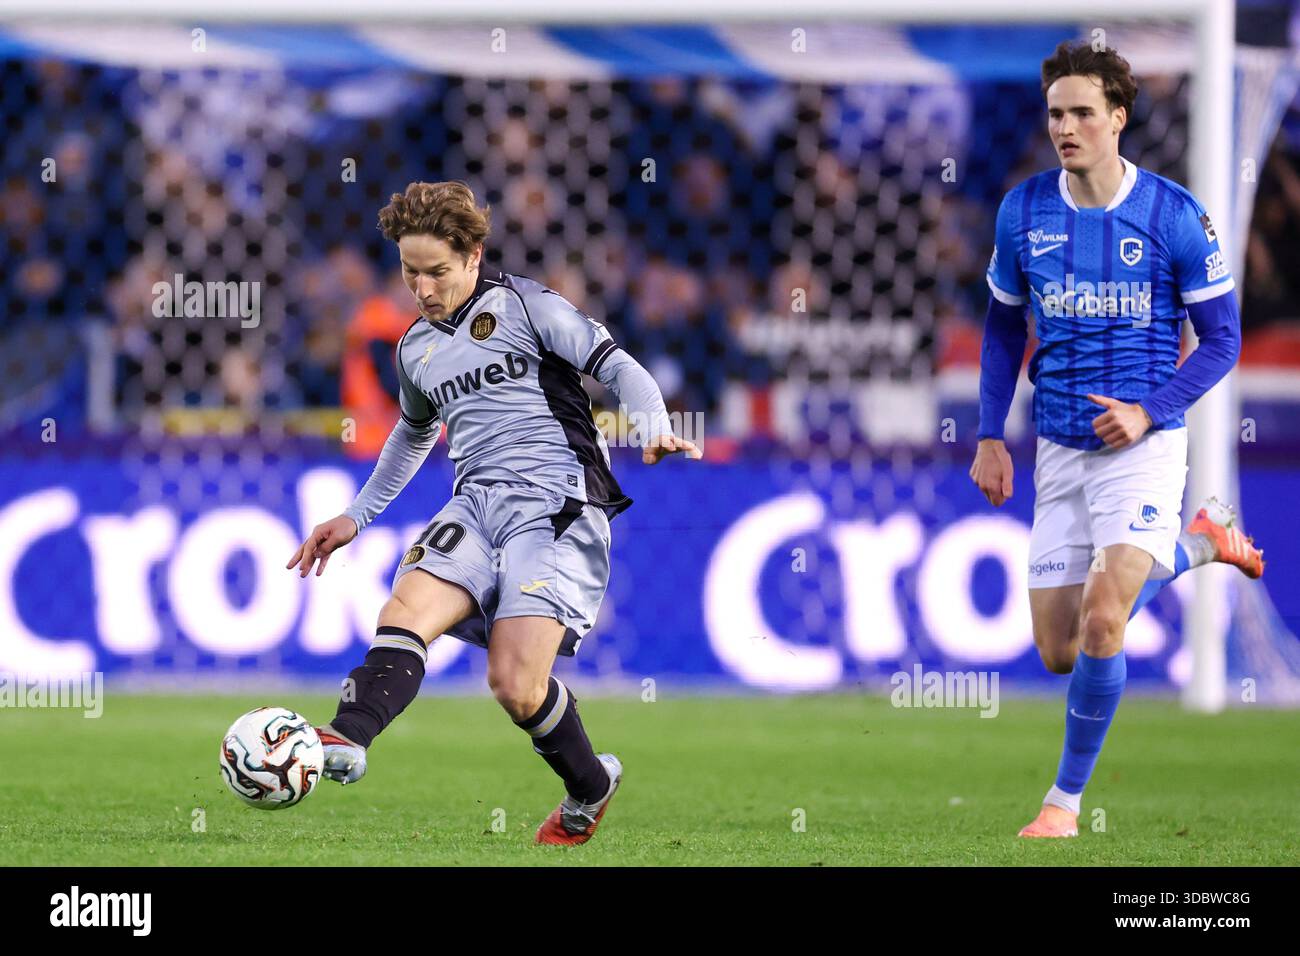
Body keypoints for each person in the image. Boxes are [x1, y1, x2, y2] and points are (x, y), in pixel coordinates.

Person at [287, 181, 701, 845]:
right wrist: (355, 517)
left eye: (437, 273)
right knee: (404, 611)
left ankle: (590, 785)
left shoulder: (527, 305)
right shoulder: (414, 348)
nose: (421, 290)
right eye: (409, 273)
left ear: (474, 255)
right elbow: (413, 432)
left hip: (557, 499)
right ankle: (348, 737)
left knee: (513, 684)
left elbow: (620, 369)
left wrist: (653, 424)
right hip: (475, 501)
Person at [971, 41, 1264, 839]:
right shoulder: (1023, 211)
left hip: (1144, 447)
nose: (1066, 127)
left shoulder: (1173, 214)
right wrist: (989, 435)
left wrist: (1149, 409)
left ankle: (1061, 806)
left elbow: (1224, 338)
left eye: (1082, 114)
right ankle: (1202, 544)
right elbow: (1001, 329)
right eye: (1056, 113)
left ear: (1118, 120)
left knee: (1107, 619)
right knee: (1061, 650)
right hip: (1059, 449)